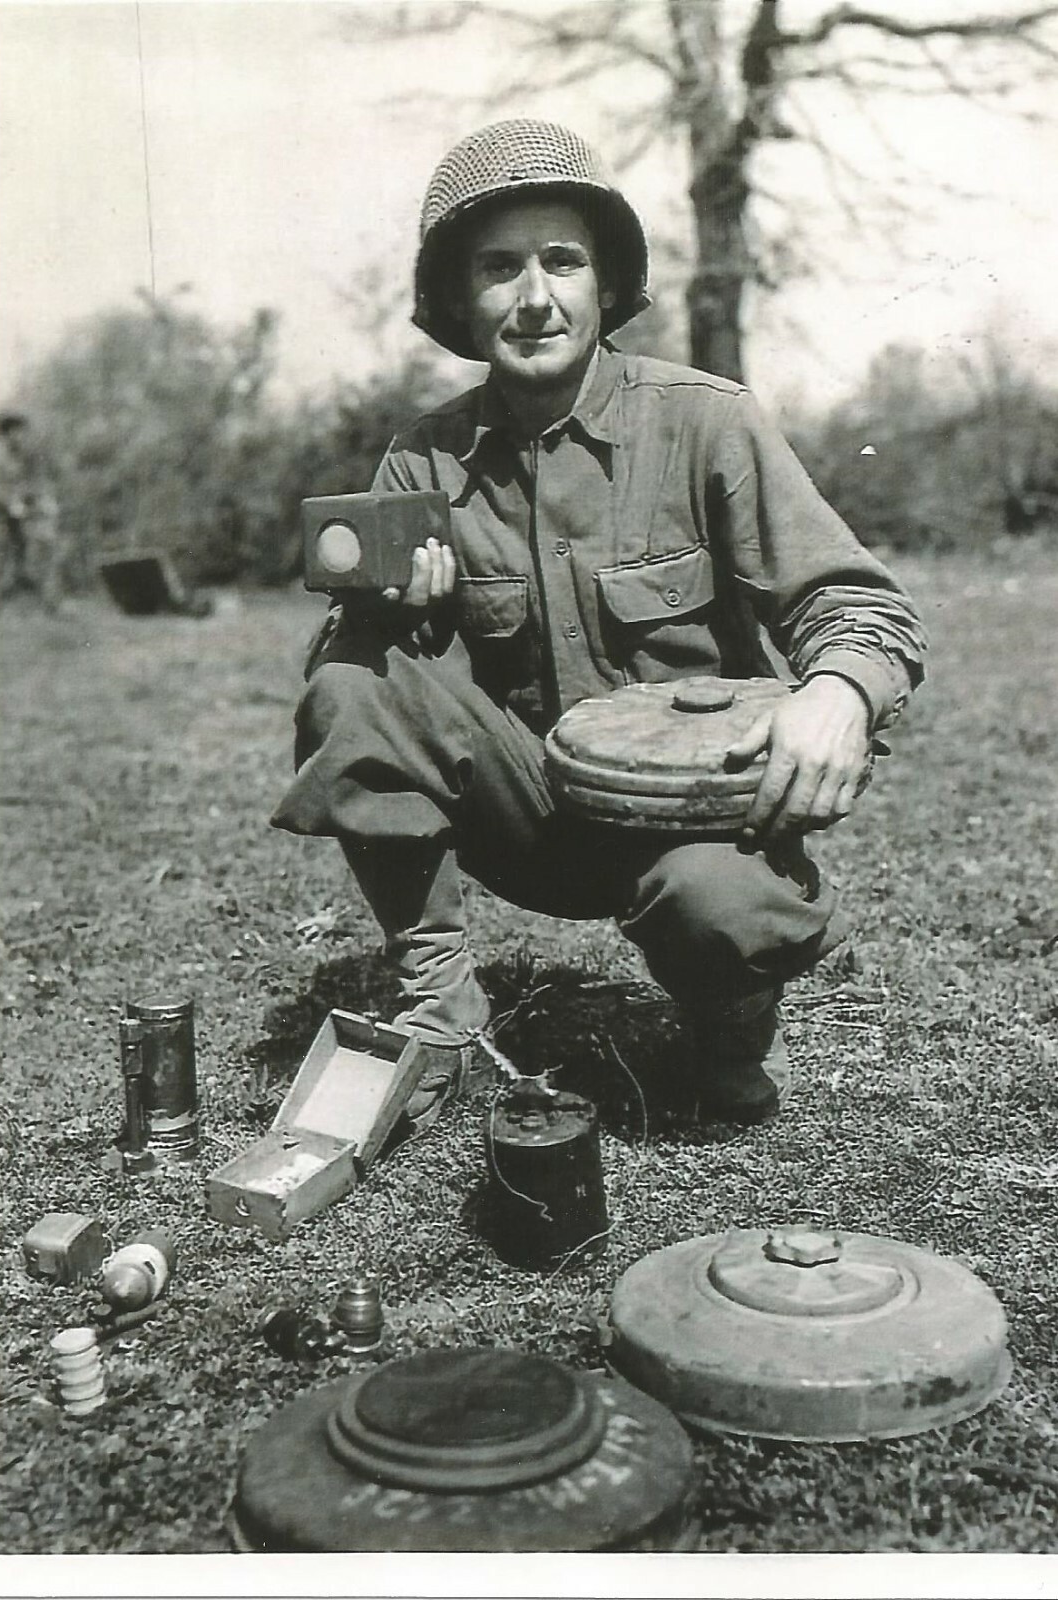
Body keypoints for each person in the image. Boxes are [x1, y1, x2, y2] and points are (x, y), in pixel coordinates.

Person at [272, 119, 927, 1131]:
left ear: (605, 281)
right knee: (350, 683)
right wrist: (390, 619)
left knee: (721, 903)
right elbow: (349, 696)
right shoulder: (422, 459)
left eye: (560, 260)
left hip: (692, 822)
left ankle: (727, 1030)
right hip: (527, 810)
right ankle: (440, 1006)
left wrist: (837, 693)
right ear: (456, 297)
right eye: (497, 268)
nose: (534, 297)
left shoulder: (706, 420)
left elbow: (856, 604)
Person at [0, 410, 64, 612]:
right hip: (0, 512)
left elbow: (35, 483)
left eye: (21, 432)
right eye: (15, 432)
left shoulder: (26, 455)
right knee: (1, 553)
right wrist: (12, 504)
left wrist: (42, 501)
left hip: (21, 512)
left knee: (45, 540)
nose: (20, 436)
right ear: (6, 433)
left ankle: (48, 601)